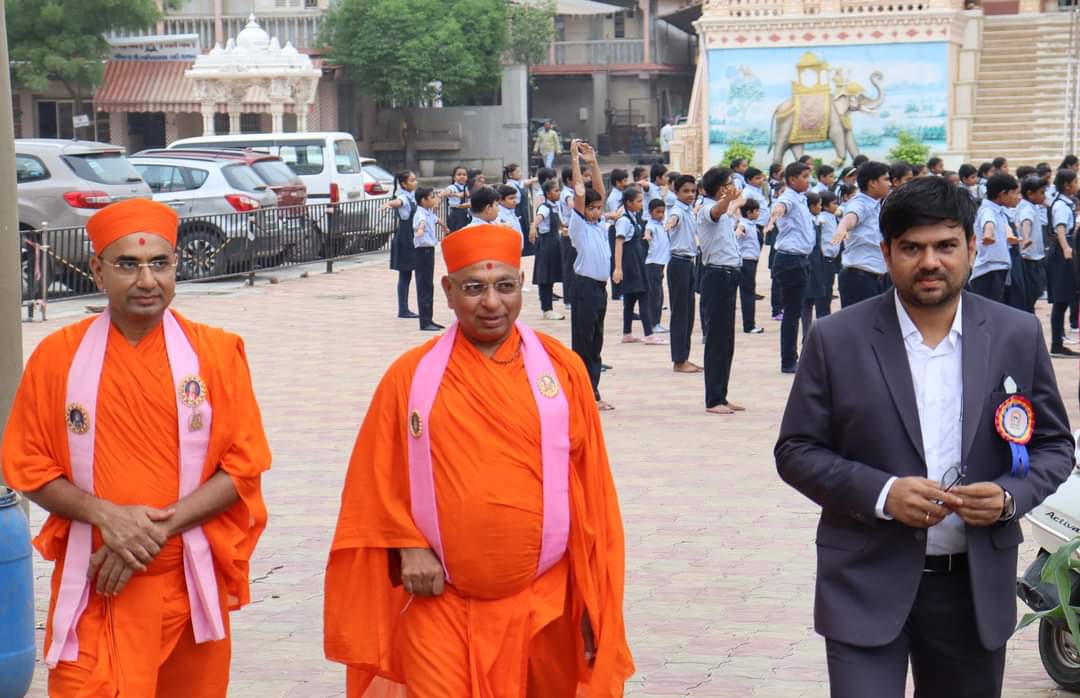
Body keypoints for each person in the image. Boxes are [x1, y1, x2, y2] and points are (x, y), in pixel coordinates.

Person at [775, 175, 1073, 698]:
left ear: (972, 248)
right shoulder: (836, 337)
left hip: (973, 588)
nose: (930, 262)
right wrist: (884, 493)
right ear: (887, 253)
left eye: (945, 246)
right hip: (865, 579)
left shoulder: (1016, 334)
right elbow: (796, 450)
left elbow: (1054, 446)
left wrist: (1009, 497)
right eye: (912, 248)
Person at [323, 223, 634, 697]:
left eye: (505, 286)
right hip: (439, 601)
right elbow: (372, 479)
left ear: (522, 285)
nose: (492, 303)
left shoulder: (563, 371)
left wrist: (594, 598)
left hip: (545, 599)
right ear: (448, 291)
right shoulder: (409, 377)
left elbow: (592, 492)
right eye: (474, 288)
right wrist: (408, 545)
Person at [2, 198, 270, 696]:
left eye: (159, 263)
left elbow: (244, 466)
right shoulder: (58, 356)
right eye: (128, 264)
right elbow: (27, 464)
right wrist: (104, 516)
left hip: (188, 586)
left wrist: (145, 534)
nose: (147, 280)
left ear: (176, 266)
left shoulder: (216, 353)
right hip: (98, 585)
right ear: (97, 270)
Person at [567, 140, 615, 411]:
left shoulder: (599, 224)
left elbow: (599, 192)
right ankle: (584, 395)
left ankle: (592, 392)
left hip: (599, 288)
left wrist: (593, 162)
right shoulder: (579, 225)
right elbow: (580, 192)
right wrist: (574, 159)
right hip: (584, 287)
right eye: (591, 208)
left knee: (596, 343)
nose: (595, 212)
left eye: (598, 208)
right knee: (583, 344)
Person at [698, 167, 747, 414]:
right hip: (717, 276)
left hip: (728, 276)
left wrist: (733, 199)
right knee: (716, 341)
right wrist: (728, 198)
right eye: (728, 183)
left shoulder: (724, 210)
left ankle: (722, 395)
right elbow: (717, 211)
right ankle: (713, 399)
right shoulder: (707, 209)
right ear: (720, 188)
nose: (732, 186)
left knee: (726, 341)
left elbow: (734, 204)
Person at [763, 162, 815, 374]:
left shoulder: (801, 198)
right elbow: (780, 207)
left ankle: (792, 358)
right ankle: (788, 360)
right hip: (790, 261)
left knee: (796, 310)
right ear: (793, 180)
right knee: (792, 312)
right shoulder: (789, 198)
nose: (808, 180)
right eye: (804, 176)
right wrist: (773, 219)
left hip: (800, 259)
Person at [832, 161, 891, 307]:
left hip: (875, 278)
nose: (889, 184)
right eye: (886, 179)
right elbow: (851, 216)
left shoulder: (876, 204)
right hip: (859, 279)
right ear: (873, 183)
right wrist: (842, 228)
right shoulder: (860, 203)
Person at [614, 186, 663, 346]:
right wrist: (618, 268)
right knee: (643, 296)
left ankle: (627, 333)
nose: (642, 204)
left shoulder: (634, 217)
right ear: (629, 203)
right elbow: (619, 243)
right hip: (631, 264)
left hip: (637, 261)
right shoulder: (624, 221)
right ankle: (649, 334)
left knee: (629, 299)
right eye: (639, 201)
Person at [666, 173, 702, 374]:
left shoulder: (689, 210)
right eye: (685, 191)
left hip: (689, 262)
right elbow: (673, 219)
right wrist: (670, 224)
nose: (690, 194)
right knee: (680, 313)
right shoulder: (677, 211)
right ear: (676, 192)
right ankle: (678, 360)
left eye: (693, 191)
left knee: (688, 312)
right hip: (678, 263)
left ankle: (684, 357)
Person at [970, 173, 1020, 303]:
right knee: (988, 307)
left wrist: (1010, 237)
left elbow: (1005, 228)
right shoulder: (988, 210)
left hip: (998, 267)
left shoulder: (1000, 211)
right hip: (989, 270)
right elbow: (989, 223)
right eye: (1014, 193)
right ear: (1002, 194)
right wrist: (988, 235)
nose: (1018, 197)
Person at [1047, 169, 1079, 356]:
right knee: (1061, 299)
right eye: (1075, 182)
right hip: (1062, 252)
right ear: (1067, 185)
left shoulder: (1066, 202)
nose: (1076, 185)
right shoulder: (1061, 205)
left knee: (1065, 298)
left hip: (1065, 248)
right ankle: (1056, 344)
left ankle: (1059, 340)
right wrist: (1066, 248)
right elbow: (1060, 227)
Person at [530, 179, 565, 320]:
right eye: (556, 191)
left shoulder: (555, 206)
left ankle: (549, 308)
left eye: (559, 190)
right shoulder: (544, 208)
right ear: (547, 193)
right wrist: (533, 228)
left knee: (551, 276)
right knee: (545, 277)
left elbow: (560, 224)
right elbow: (538, 218)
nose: (558, 193)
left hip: (555, 244)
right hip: (546, 245)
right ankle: (546, 309)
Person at [413, 186, 447, 332]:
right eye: (431, 197)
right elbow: (421, 223)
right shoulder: (420, 214)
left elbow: (436, 220)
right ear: (423, 200)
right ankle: (425, 322)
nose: (434, 199)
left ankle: (429, 318)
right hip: (422, 252)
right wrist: (420, 230)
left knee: (429, 286)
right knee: (424, 286)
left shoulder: (428, 212)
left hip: (429, 251)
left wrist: (444, 227)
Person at [386, 170, 419, 319]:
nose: (415, 182)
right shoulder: (403, 197)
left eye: (415, 179)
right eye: (412, 180)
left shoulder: (412, 196)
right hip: (405, 237)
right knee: (405, 274)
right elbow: (398, 202)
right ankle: (403, 309)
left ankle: (405, 308)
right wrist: (389, 204)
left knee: (408, 274)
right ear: (404, 184)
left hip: (412, 236)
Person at [801, 192, 830, 340]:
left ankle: (813, 332)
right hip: (809, 261)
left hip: (817, 261)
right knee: (807, 299)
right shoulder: (807, 222)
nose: (820, 207)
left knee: (814, 297)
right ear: (811, 206)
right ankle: (806, 334)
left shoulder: (815, 221)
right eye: (818, 205)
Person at [1017, 175, 1048, 313]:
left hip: (1033, 256)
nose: (1044, 196)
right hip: (1029, 257)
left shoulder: (1031, 206)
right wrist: (1026, 238)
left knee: (1035, 291)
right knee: (1032, 291)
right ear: (1030, 193)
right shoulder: (1027, 208)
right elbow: (1026, 222)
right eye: (1041, 192)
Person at [736, 198, 764, 335]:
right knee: (748, 293)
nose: (759, 213)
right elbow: (738, 232)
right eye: (756, 211)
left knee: (749, 291)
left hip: (752, 261)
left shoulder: (753, 225)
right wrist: (738, 232)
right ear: (749, 212)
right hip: (745, 262)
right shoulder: (744, 224)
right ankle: (749, 325)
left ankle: (749, 323)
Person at [644, 198, 670, 334]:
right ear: (650, 212)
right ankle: (653, 323)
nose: (661, 215)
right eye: (657, 212)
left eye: (662, 212)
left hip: (660, 263)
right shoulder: (651, 225)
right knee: (655, 294)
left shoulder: (663, 224)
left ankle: (656, 322)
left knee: (659, 293)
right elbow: (647, 232)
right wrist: (647, 236)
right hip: (653, 263)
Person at [818, 191, 842, 313]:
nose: (837, 206)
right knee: (825, 290)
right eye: (834, 203)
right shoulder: (822, 218)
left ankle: (825, 313)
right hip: (824, 258)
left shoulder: (832, 216)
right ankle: (823, 315)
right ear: (825, 206)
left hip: (832, 258)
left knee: (829, 289)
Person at [496, 184, 526, 250]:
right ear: (501, 200)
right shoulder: (497, 215)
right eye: (511, 198)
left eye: (515, 198)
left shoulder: (512, 211)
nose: (515, 201)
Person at [444, 166, 471, 232]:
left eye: (464, 175)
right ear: (454, 177)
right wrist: (456, 194)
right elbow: (445, 192)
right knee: (456, 231)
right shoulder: (452, 187)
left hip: (466, 212)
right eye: (459, 174)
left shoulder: (467, 187)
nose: (462, 176)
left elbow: (469, 195)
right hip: (456, 212)